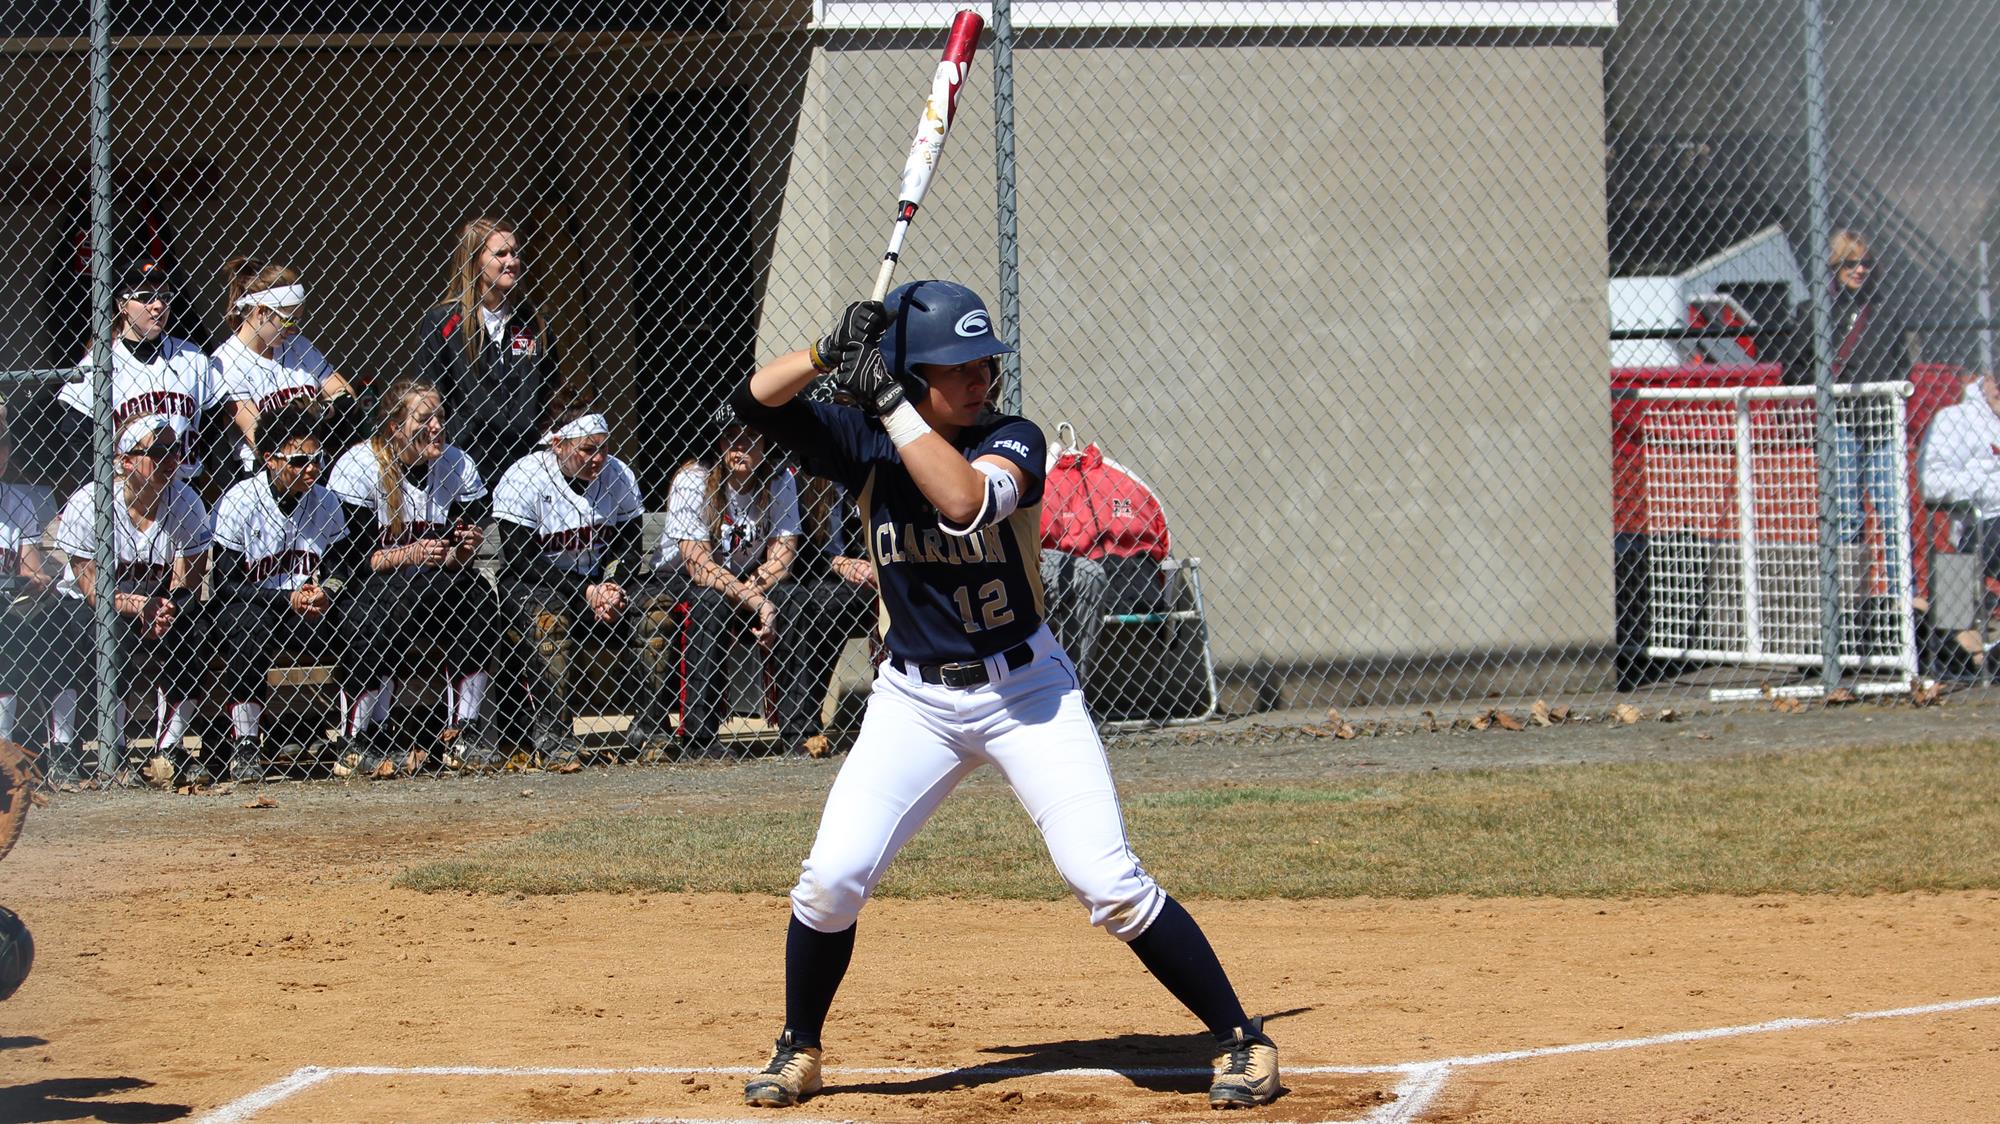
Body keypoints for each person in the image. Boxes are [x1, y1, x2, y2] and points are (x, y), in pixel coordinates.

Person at [724, 281, 1279, 1110]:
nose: (982, 376)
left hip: (1027, 693)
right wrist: (821, 354)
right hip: (912, 701)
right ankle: (799, 1047)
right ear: (916, 372)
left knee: (1107, 881)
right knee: (830, 880)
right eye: (959, 365)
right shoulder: (865, 441)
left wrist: (890, 401)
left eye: (986, 361)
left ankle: (1242, 1039)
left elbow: (962, 501)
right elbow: (753, 405)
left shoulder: (1012, 438)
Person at [326, 377, 501, 778]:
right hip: (372, 587)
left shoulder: (457, 463)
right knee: (376, 610)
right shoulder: (360, 465)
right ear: (394, 426)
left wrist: (462, 549)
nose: (437, 426)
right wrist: (411, 553)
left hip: (436, 587)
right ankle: (360, 738)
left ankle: (465, 731)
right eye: (424, 419)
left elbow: (458, 555)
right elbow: (350, 561)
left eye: (440, 416)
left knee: (477, 596)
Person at [492, 405, 664, 766]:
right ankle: (553, 735)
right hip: (534, 582)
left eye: (603, 446)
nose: (599, 457)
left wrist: (614, 585)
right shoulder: (524, 476)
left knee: (655, 610)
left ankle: (650, 728)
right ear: (558, 444)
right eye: (587, 449)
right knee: (549, 617)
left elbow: (629, 545)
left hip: (599, 583)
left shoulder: (618, 474)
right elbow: (522, 557)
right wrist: (587, 590)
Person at [46, 414, 211, 787]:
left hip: (155, 604)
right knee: (112, 631)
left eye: (176, 449)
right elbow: (90, 587)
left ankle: (170, 749)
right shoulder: (91, 501)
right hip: (88, 608)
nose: (172, 458)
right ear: (127, 461)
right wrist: (137, 606)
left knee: (194, 628)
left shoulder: (185, 499)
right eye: (159, 451)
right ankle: (109, 749)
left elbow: (192, 573)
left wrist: (168, 607)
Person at [208, 402, 353, 782]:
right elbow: (225, 584)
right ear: (270, 459)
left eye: (317, 458)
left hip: (307, 609)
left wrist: (328, 594)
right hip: (255, 606)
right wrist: (284, 598)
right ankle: (246, 745)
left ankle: (358, 739)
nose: (312, 468)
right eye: (299, 460)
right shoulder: (239, 500)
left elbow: (341, 569)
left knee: (360, 616)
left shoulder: (326, 499)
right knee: (247, 626)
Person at [649, 404, 800, 759]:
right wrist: (755, 600)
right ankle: (700, 737)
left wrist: (755, 591)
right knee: (711, 601)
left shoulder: (779, 480)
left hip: (748, 582)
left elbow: (783, 554)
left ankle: (798, 729)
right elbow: (698, 564)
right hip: (680, 581)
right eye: (730, 438)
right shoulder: (693, 479)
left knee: (795, 599)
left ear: (765, 444)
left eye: (749, 438)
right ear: (718, 445)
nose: (739, 447)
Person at [48, 259, 224, 482]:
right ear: (122, 305)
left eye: (165, 297)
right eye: (145, 297)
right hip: (127, 490)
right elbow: (77, 435)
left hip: (184, 488)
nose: (158, 305)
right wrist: (97, 493)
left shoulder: (193, 357)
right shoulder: (99, 364)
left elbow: (215, 428)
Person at [415, 217, 558, 478]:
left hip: (526, 463)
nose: (511, 261)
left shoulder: (534, 322)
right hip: (467, 462)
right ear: (474, 261)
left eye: (514, 253)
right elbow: (432, 394)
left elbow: (550, 390)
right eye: (500, 253)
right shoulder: (444, 322)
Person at [1825, 230, 1913, 644]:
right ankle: (1851, 611)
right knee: (1849, 519)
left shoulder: (1884, 309)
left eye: (1865, 264)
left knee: (1893, 515)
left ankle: (1900, 607)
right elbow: (1802, 359)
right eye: (1850, 263)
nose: (1859, 270)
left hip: (1882, 422)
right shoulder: (1822, 308)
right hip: (1842, 421)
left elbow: (1901, 362)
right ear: (1835, 266)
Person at [211, 257, 361, 474]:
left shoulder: (299, 347)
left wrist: (321, 409)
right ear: (261, 312)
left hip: (314, 467)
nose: (293, 330)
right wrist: (302, 417)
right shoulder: (226, 361)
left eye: (297, 322)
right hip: (265, 475)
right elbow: (259, 437)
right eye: (288, 320)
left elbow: (346, 394)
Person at [772, 464, 878, 755]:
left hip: (879, 570)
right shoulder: (798, 478)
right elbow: (802, 553)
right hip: (824, 576)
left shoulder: (874, 472)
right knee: (822, 604)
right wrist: (841, 564)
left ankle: (895, 715)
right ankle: (803, 726)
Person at [1916, 371, 2000, 674]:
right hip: (1981, 524)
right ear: (1988, 379)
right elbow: (1933, 482)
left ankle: (1949, 620)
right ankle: (1952, 627)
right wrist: (1991, 489)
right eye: (1998, 385)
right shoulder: (1955, 420)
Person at [0, 400, 60, 754]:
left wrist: (39, 581)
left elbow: (32, 567)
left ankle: (4, 752)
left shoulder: (16, 501)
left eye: (2, 444)